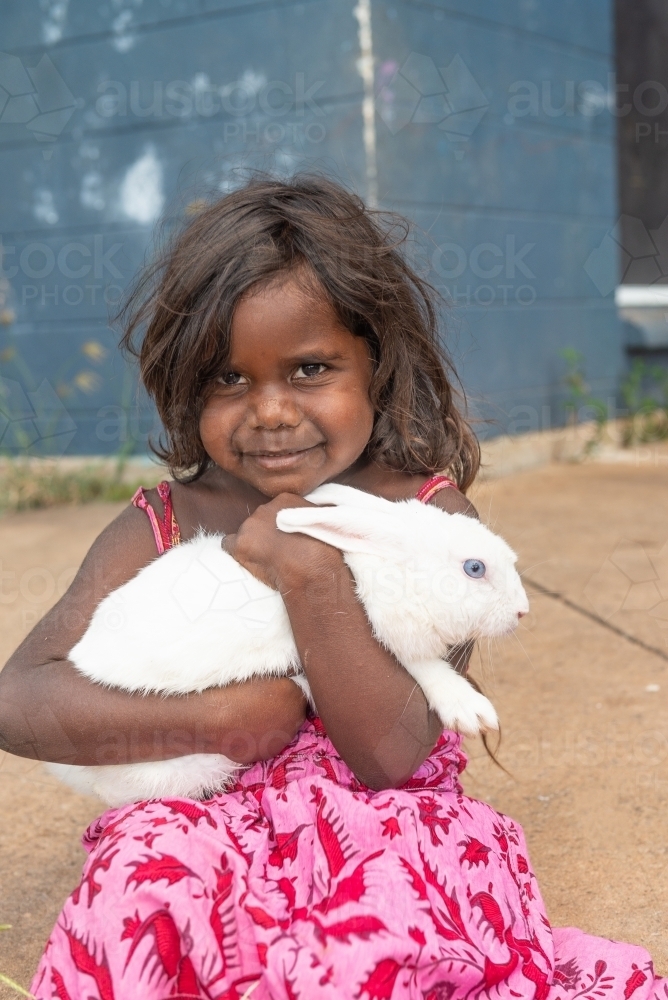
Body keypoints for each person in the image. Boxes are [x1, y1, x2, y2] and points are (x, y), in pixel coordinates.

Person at [0, 176, 664, 1000]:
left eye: (310, 368)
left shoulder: (425, 520)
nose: (270, 411)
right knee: (141, 884)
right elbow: (19, 699)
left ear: (375, 365)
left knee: (388, 921)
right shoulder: (165, 520)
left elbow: (392, 754)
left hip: (386, 823)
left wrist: (308, 569)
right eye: (229, 380)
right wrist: (225, 718)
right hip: (196, 816)